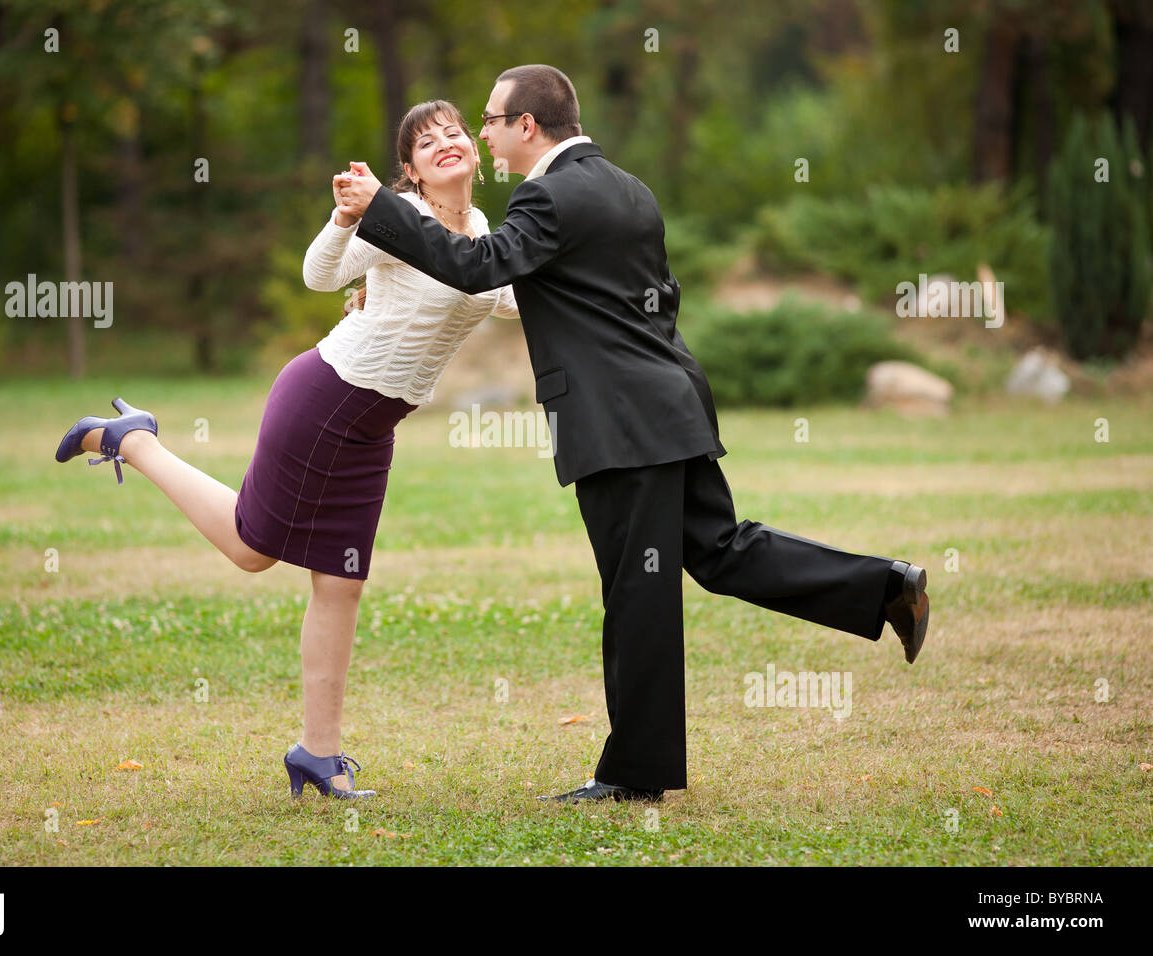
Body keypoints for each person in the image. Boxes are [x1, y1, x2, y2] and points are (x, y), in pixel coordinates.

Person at [334, 64, 931, 804]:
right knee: (719, 550)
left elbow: (480, 263)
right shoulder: (628, 187)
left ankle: (632, 773)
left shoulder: (547, 194)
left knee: (637, 590)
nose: (481, 132)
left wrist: (382, 215)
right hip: (670, 405)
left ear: (527, 126)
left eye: (489, 119)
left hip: (621, 424)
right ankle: (887, 588)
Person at [54, 99, 518, 799]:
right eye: (426, 143)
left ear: (476, 154)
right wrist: (343, 219)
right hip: (325, 397)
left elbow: (502, 293)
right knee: (251, 549)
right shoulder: (396, 218)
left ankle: (318, 754)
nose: (446, 143)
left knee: (343, 580)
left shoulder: (481, 230)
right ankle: (134, 441)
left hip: (374, 424)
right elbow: (320, 276)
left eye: (455, 132)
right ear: (412, 173)